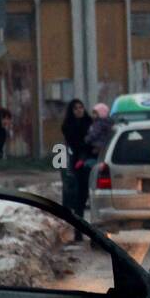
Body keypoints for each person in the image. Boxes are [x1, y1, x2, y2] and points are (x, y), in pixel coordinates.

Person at [61, 100, 92, 235]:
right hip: (77, 164)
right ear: (71, 111)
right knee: (79, 198)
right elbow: (74, 143)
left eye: (81, 107)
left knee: (90, 197)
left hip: (91, 162)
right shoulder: (68, 126)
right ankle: (78, 232)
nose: (79, 110)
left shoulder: (89, 123)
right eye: (76, 108)